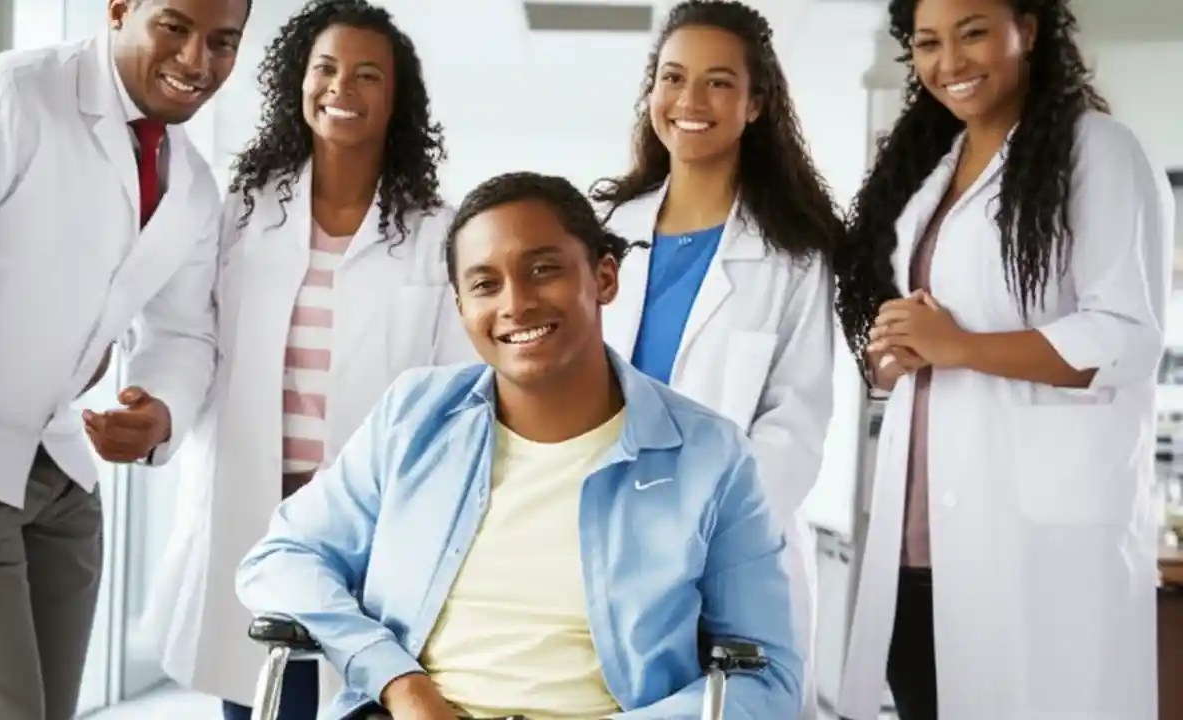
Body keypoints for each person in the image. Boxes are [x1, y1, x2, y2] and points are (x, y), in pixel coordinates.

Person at [235, 171, 803, 720]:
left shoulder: (711, 457)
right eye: (484, 284)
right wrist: (398, 682)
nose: (516, 303)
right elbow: (282, 557)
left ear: (604, 278)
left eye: (543, 270)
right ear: (461, 308)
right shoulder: (412, 418)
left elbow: (767, 677)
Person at [0, 1, 252, 718]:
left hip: (61, 475)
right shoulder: (2, 98)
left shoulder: (187, 180)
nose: (198, 61)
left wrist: (158, 412)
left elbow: (184, 332)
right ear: (120, 9)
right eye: (175, 28)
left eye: (223, 42)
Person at [832, 0, 1174, 718]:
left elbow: (1125, 338)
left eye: (973, 33)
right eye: (927, 43)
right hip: (917, 540)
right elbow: (924, 335)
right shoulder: (934, 172)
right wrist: (896, 354)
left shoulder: (1098, 150)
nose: (949, 62)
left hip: (1029, 540)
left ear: (1030, 26)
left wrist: (961, 347)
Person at [144, 2, 474, 718]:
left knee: (356, 695)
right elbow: (189, 337)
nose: (341, 88)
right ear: (300, 81)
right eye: (325, 68)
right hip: (253, 512)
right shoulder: (242, 212)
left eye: (366, 75)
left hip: (368, 526)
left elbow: (454, 394)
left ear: (396, 99)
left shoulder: (436, 233)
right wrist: (153, 408)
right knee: (256, 692)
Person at [592, 3, 839, 717]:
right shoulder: (607, 229)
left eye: (718, 82)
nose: (690, 102)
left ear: (756, 103)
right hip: (610, 537)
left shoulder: (793, 250)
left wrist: (704, 531)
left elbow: (796, 418)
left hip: (733, 553)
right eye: (673, 77)